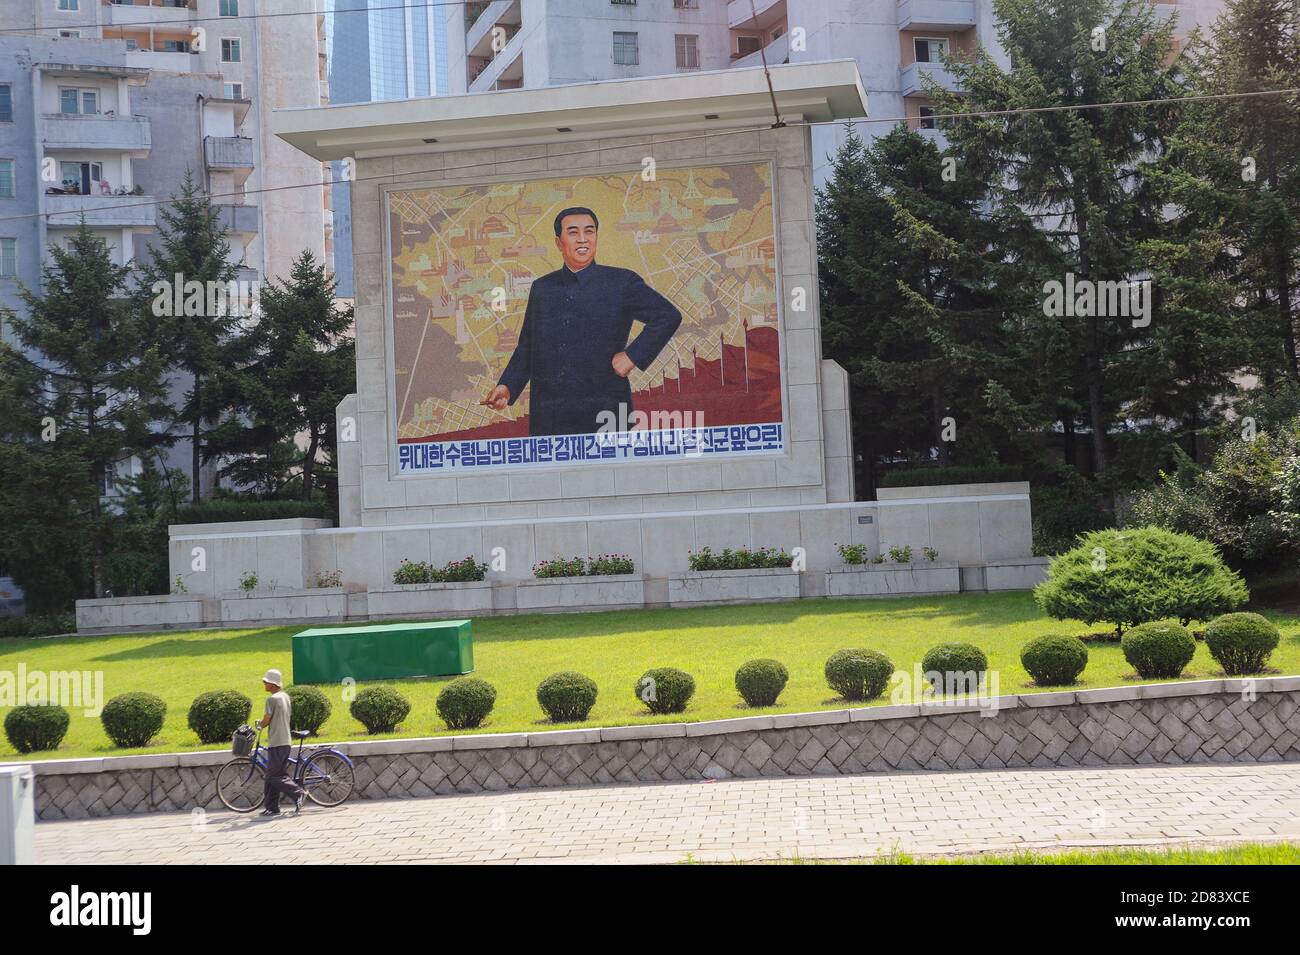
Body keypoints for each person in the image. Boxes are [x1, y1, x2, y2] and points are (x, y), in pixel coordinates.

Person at [481, 207, 682, 436]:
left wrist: (632, 356)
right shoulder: (542, 288)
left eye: (590, 231)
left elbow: (667, 316)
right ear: (559, 242)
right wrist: (507, 386)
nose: (583, 239)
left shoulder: (621, 282)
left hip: (606, 411)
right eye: (573, 232)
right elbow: (529, 346)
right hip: (550, 415)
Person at [255, 668, 305, 817]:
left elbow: (266, 719)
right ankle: (272, 807)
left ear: (272, 683)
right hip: (285, 741)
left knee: (273, 776)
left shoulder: (272, 699)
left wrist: (259, 725)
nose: (264, 684)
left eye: (266, 682)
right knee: (274, 774)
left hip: (276, 741)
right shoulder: (285, 696)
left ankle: (298, 793)